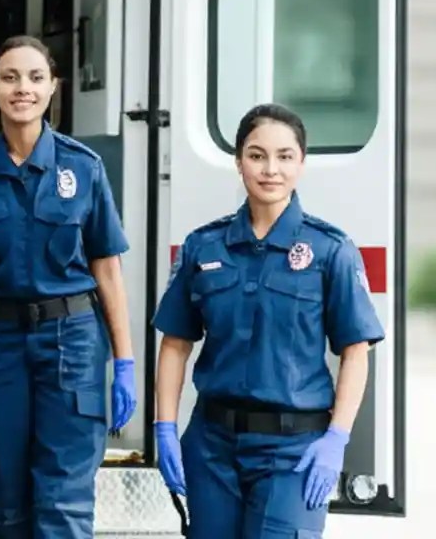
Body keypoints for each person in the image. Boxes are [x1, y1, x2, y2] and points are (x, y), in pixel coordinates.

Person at [0, 35, 137, 538]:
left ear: (53, 89)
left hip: (71, 345)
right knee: (10, 504)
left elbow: (107, 271)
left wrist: (125, 363)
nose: (23, 88)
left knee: (63, 506)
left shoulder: (83, 168)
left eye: (36, 78)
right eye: (10, 78)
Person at [152, 103, 386, 538]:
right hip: (213, 446)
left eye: (284, 156)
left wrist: (337, 438)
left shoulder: (330, 250)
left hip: (293, 449)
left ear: (301, 163)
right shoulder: (204, 247)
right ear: (239, 161)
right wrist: (164, 427)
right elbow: (175, 343)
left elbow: (356, 351)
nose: (270, 169)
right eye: (257, 155)